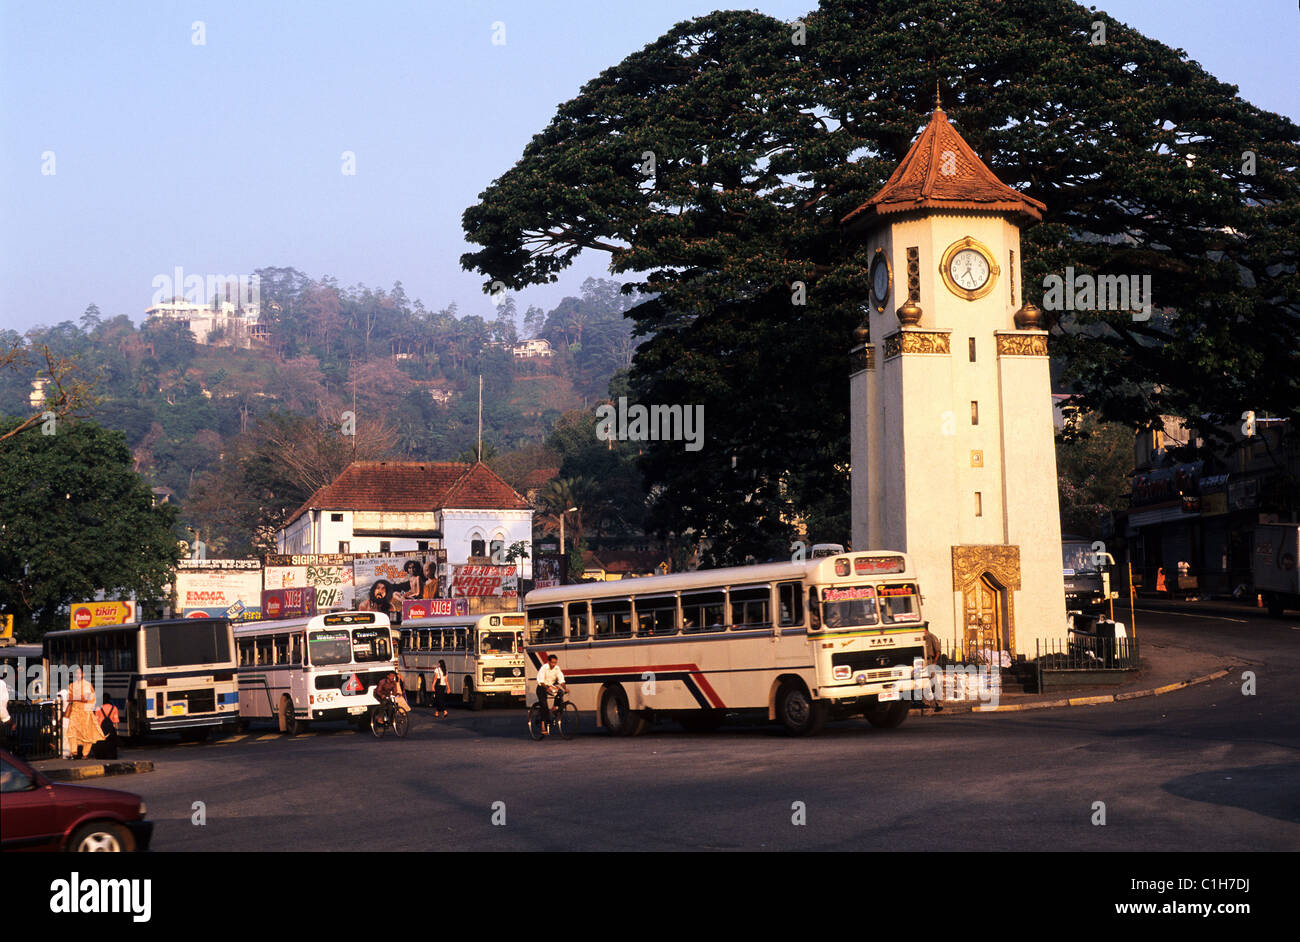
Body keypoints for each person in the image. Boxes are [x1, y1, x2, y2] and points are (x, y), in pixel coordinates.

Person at [64, 667, 105, 760]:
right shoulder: (72, 685)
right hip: (75, 711)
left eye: (79, 673)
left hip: (85, 711)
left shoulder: (87, 685)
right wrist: (78, 698)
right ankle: (73, 751)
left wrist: (75, 697)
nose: (77, 675)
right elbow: (69, 698)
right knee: (71, 731)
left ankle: (85, 753)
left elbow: (85, 699)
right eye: (76, 673)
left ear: (83, 674)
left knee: (86, 733)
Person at [535, 654, 567, 735]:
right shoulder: (544, 668)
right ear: (548, 662)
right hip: (542, 687)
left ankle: (554, 708)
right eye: (552, 663)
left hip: (550, 686)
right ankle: (543, 727)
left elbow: (561, 679)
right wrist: (546, 688)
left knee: (560, 692)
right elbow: (541, 681)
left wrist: (565, 688)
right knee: (544, 706)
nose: (554, 664)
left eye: (555, 663)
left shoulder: (557, 668)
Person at [922, 628, 945, 714]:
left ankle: (939, 703)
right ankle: (925, 702)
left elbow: (938, 651)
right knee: (923, 682)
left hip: (929, 661)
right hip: (921, 661)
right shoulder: (920, 637)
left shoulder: (931, 636)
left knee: (934, 682)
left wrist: (934, 662)